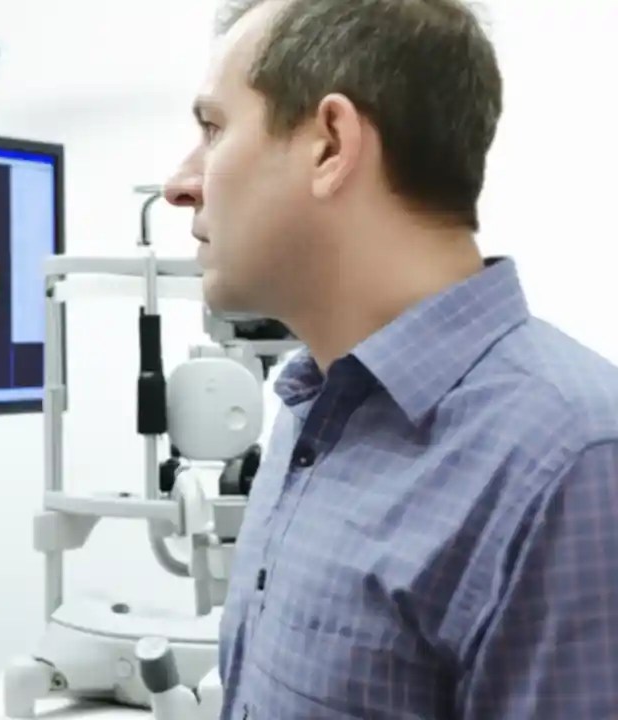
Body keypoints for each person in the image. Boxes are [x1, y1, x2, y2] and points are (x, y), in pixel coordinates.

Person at [163, 0, 618, 718]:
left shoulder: (573, 467)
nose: (180, 183)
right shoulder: (309, 412)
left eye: (214, 130)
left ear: (331, 145)